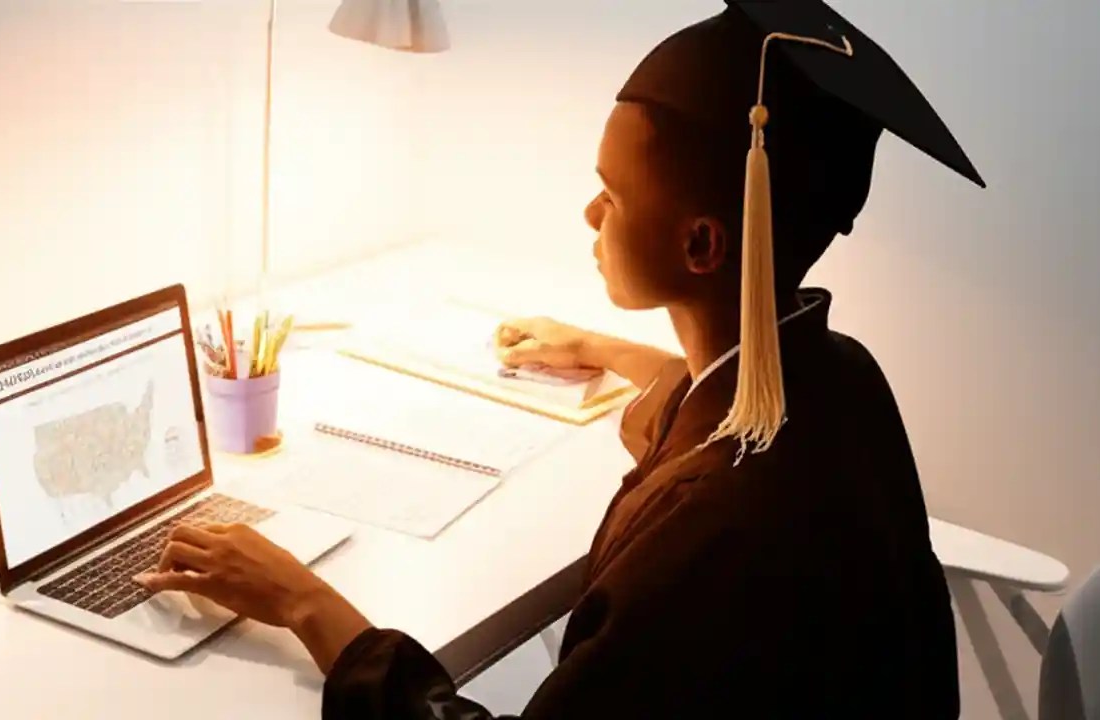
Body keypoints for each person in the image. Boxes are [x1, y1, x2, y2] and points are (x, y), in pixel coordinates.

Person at [135, 2, 986, 716]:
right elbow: (708, 406)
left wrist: (305, 602)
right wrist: (596, 347)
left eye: (611, 195)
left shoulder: (715, 524)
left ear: (700, 243)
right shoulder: (837, 378)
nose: (589, 213)